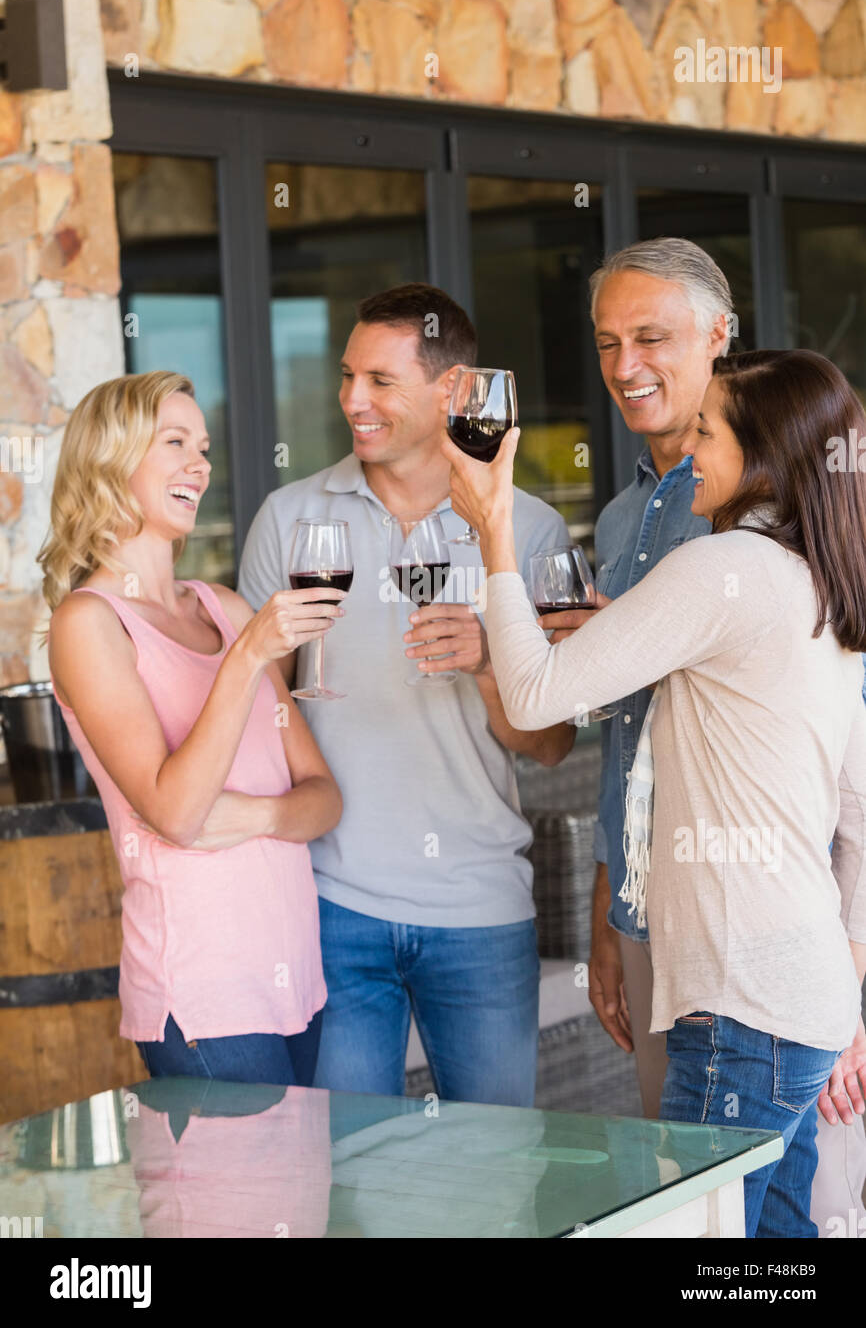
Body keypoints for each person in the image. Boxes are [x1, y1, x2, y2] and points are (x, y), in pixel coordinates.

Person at [444, 346, 866, 1237]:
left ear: (763, 454)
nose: (687, 455)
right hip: (804, 1000)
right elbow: (861, 814)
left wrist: (493, 530)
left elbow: (535, 696)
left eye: (707, 433)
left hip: (740, 1007)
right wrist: (848, 981)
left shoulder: (723, 567)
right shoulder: (823, 579)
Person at [238, 283, 575, 1107]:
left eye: (381, 381)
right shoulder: (289, 517)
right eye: (348, 376)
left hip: (479, 907)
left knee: (494, 1163)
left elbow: (552, 743)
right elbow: (255, 710)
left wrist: (491, 663)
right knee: (352, 1168)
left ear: (452, 389)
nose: (353, 400)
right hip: (331, 904)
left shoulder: (527, 529)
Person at [40, 370, 343, 1084]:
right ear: (111, 459)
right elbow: (176, 813)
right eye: (175, 442)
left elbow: (325, 798)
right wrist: (248, 657)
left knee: (301, 1166)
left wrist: (257, 815)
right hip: (203, 999)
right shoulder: (90, 624)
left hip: (296, 980)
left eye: (203, 447)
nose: (200, 464)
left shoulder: (224, 607)